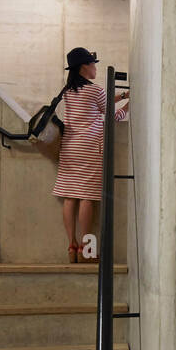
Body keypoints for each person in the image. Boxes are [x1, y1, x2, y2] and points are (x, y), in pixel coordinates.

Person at [53, 47, 129, 263]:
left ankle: (72, 246)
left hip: (69, 148)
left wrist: (122, 95)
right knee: (87, 197)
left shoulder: (67, 91)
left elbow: (98, 104)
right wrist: (129, 105)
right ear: (84, 66)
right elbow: (112, 116)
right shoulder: (95, 90)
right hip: (89, 148)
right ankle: (87, 251)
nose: (96, 67)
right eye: (93, 63)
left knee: (70, 196)